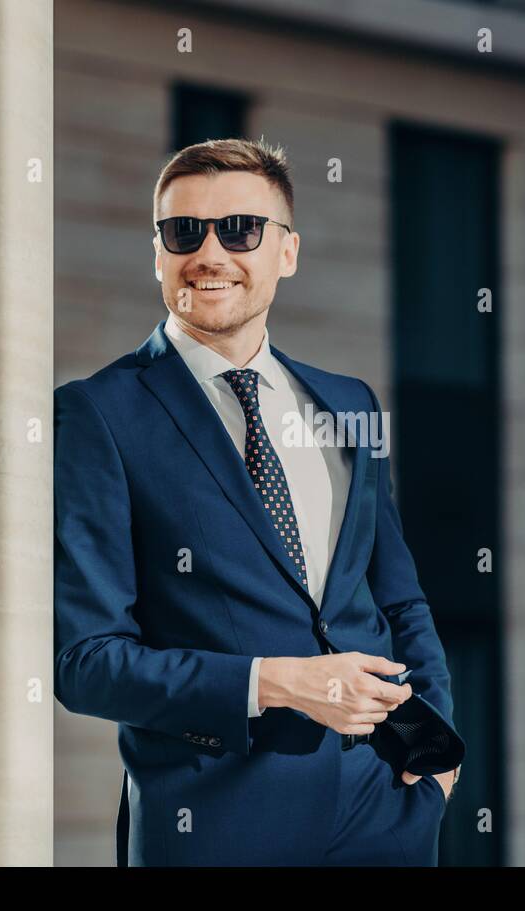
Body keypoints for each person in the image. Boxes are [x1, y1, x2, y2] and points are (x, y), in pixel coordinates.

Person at [54, 137, 464, 866]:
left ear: (287, 252)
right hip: (214, 826)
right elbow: (87, 662)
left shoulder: (347, 404)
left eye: (240, 229)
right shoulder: (97, 415)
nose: (210, 253)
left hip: (385, 817)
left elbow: (398, 600)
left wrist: (438, 762)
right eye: (184, 232)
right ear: (158, 253)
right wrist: (277, 684)